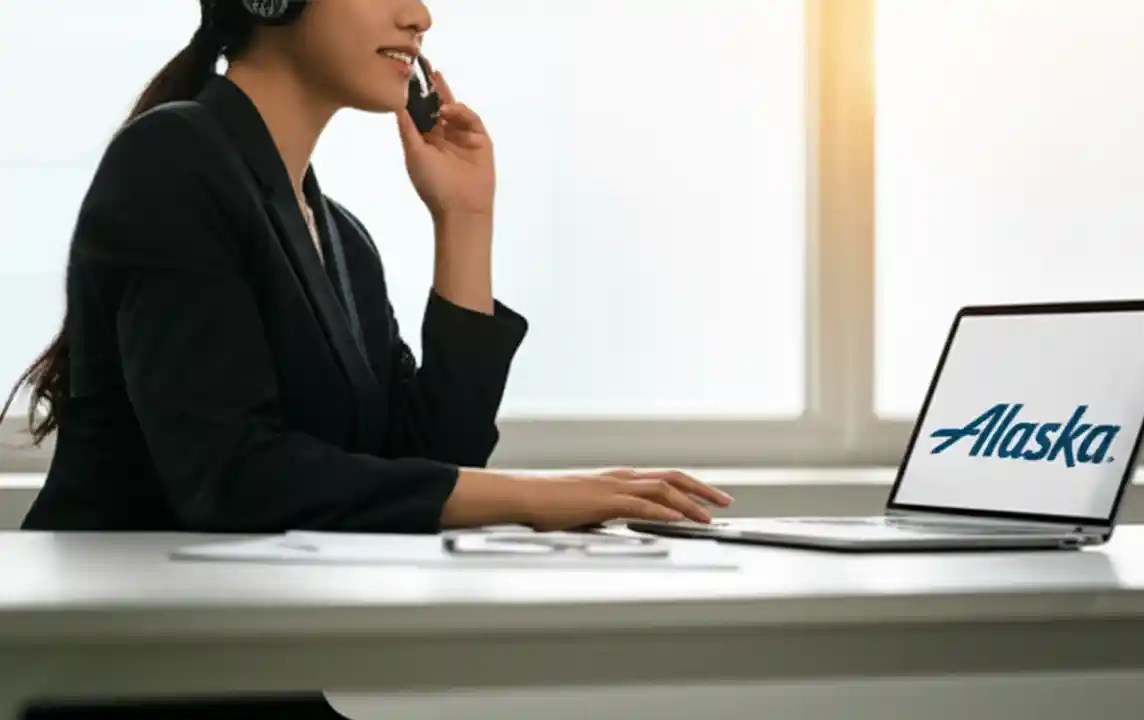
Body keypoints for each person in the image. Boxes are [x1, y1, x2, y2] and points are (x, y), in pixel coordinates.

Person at [1, 0, 732, 716]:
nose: (420, 16)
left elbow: (432, 455)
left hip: (246, 660)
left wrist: (465, 221)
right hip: (129, 668)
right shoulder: (172, 159)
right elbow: (233, 477)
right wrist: (533, 496)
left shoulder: (339, 239)